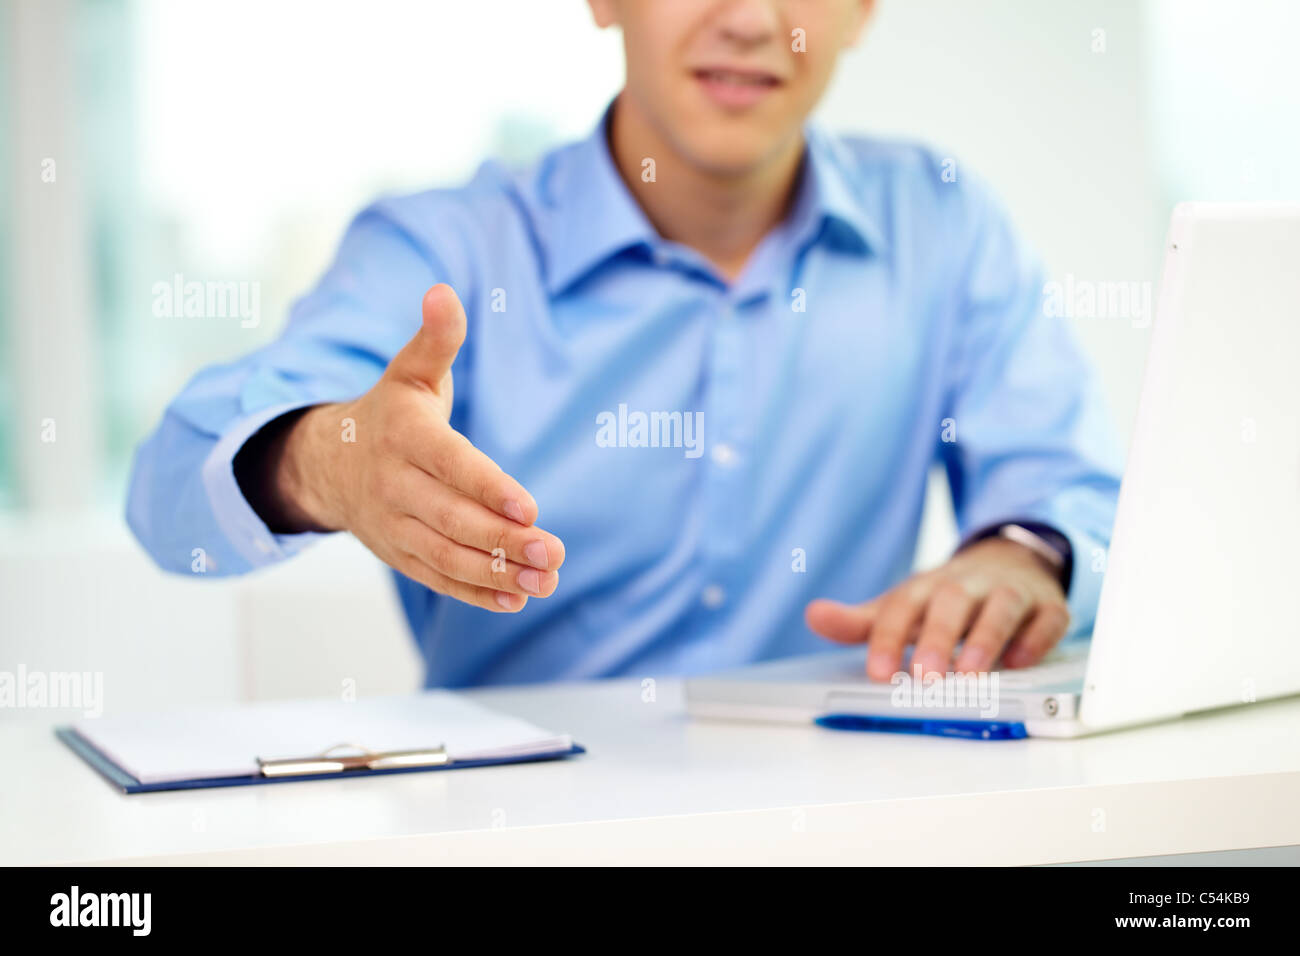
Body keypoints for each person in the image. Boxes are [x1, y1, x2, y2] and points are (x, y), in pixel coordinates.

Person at [127, 0, 1121, 687]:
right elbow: (168, 485)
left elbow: (1075, 490)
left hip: (844, 818)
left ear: (863, 8)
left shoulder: (942, 224)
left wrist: (1023, 558)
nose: (748, 19)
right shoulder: (446, 247)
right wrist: (327, 463)